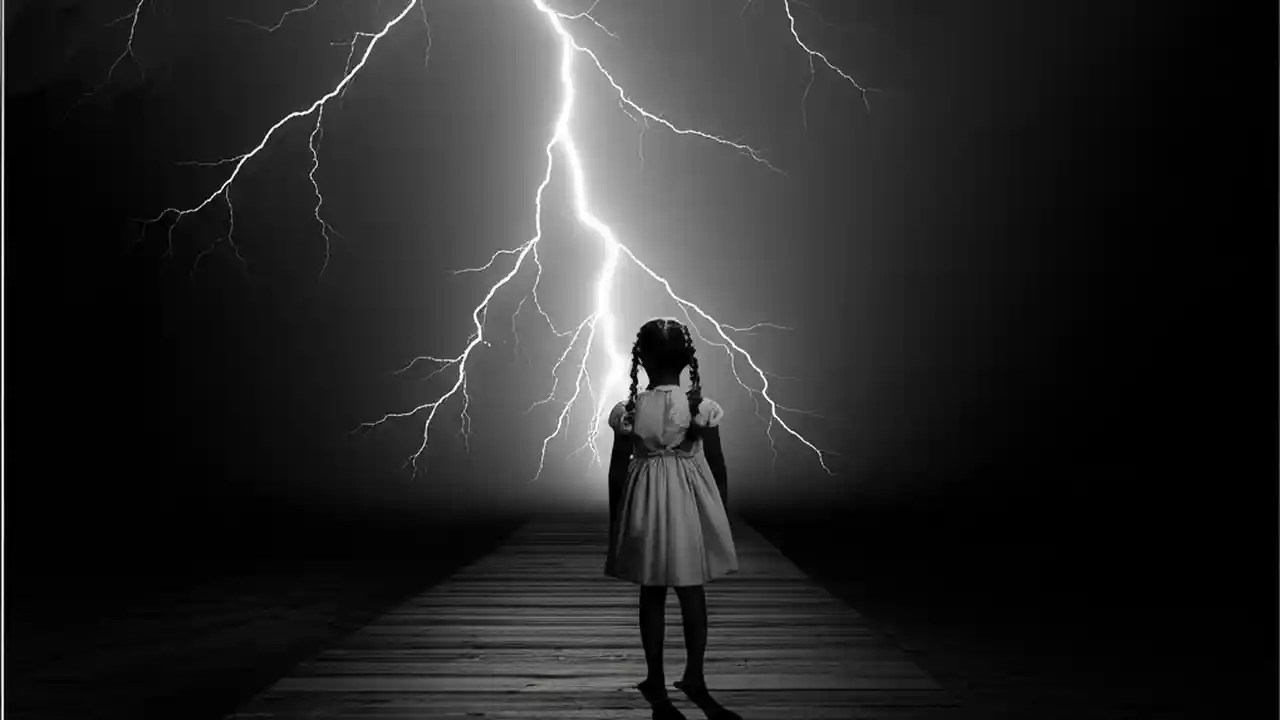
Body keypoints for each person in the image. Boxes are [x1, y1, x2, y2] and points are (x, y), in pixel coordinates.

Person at [605, 317, 740, 718]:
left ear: (641, 360)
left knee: (652, 592)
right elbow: (717, 466)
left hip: (645, 503)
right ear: (686, 361)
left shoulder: (629, 409)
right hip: (688, 505)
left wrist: (616, 520)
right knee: (691, 591)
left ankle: (656, 681)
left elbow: (616, 470)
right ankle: (695, 676)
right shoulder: (699, 408)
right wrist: (721, 515)